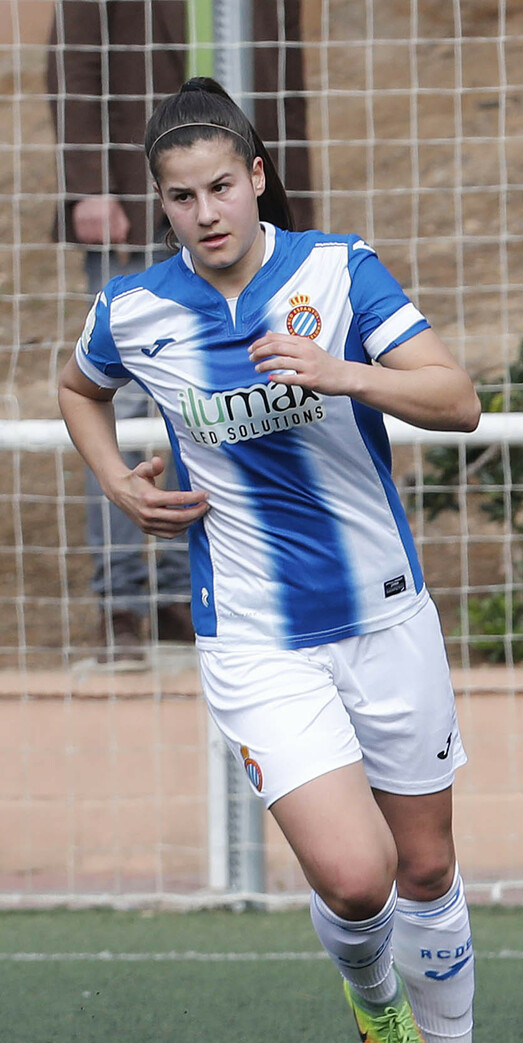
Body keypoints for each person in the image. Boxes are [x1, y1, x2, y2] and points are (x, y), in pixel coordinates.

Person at [55, 78, 523, 1043]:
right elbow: (75, 389)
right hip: (258, 638)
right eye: (182, 196)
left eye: (222, 184)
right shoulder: (135, 310)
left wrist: (342, 373)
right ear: (161, 205)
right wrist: (119, 488)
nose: (206, 211)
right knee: (357, 880)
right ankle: (378, 1012)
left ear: (258, 176)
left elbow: (459, 401)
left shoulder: (337, 273)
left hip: (387, 616)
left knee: (426, 865)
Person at [49, 0, 313, 661]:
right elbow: (74, 62)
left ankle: (180, 596)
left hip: (239, 215)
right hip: (134, 206)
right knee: (125, 399)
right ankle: (123, 605)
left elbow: (284, 88)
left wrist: (286, 204)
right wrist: (88, 187)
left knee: (221, 391)